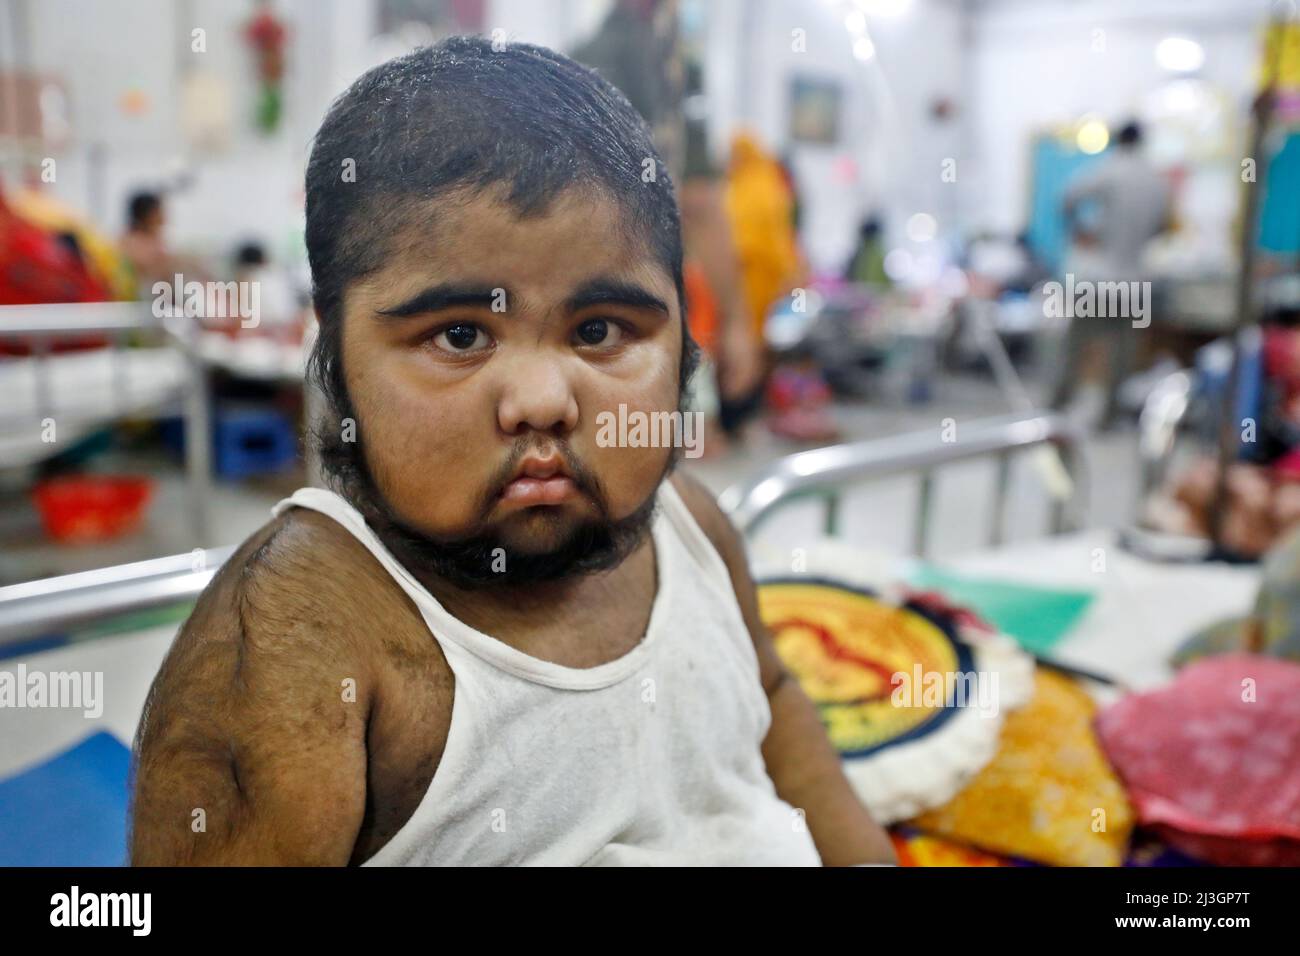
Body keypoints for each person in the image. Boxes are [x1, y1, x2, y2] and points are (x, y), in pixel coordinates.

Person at [129, 37, 894, 867]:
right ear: (334, 354)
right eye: (460, 336)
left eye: (600, 331)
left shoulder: (696, 532)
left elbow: (774, 706)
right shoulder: (301, 638)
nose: (542, 401)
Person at [1052, 120, 1171, 427]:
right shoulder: (1155, 180)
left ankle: (1058, 405)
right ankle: (1110, 416)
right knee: (1122, 351)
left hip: (1099, 277)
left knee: (1078, 344)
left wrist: (1081, 232)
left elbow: (1067, 197)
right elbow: (1161, 227)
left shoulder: (1110, 169)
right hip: (1134, 280)